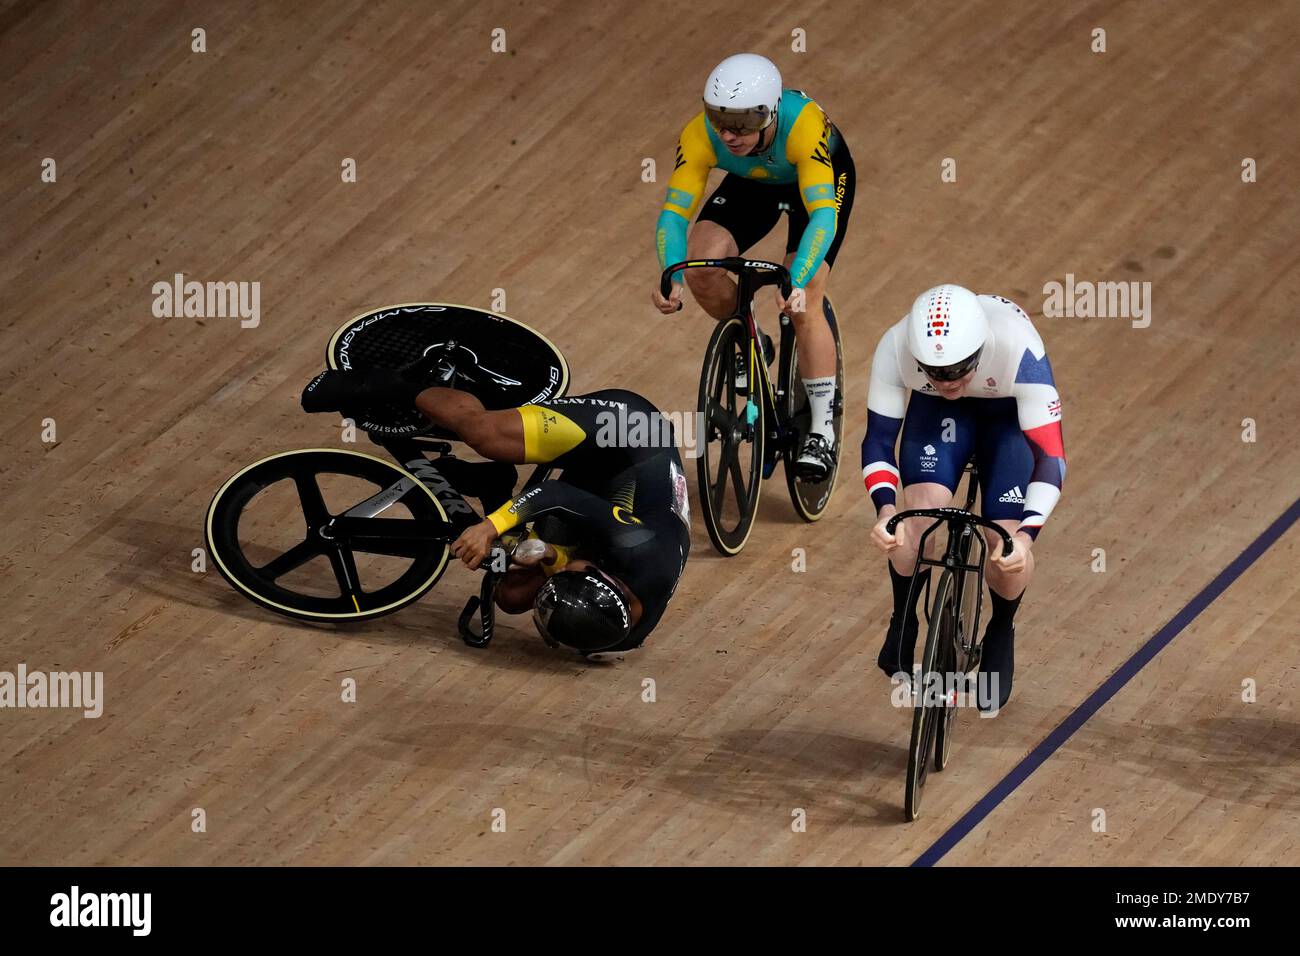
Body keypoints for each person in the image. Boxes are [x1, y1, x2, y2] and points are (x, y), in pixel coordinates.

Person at [301, 369, 690, 654]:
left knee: (512, 596)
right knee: (484, 434)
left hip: (602, 502)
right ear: (598, 572)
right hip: (627, 431)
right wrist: (490, 527)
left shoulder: (621, 634)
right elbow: (554, 493)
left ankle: (492, 484)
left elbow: (563, 582)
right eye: (570, 571)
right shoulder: (635, 545)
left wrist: (550, 556)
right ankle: (380, 383)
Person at [860, 285, 1067, 710]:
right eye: (935, 372)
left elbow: (1051, 459)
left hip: (1004, 416)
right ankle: (904, 617)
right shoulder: (896, 345)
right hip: (937, 414)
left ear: (980, 351)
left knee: (1004, 543)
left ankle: (1001, 630)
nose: (947, 381)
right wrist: (885, 510)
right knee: (912, 523)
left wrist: (1025, 537)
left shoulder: (1019, 351)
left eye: (957, 370)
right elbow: (879, 440)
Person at [650, 52, 855, 479]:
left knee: (803, 299)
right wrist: (671, 273)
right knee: (700, 265)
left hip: (816, 184)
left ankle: (822, 429)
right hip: (753, 183)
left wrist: (796, 279)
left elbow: (822, 217)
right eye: (720, 121)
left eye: (743, 124)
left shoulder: (803, 128)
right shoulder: (700, 135)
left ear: (771, 112)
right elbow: (674, 216)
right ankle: (752, 339)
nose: (729, 134)